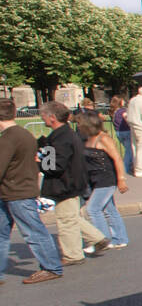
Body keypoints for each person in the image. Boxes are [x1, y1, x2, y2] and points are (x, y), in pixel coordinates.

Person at [35, 101, 107, 265]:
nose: (43, 119)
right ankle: (97, 238)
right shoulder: (65, 134)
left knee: (66, 220)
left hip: (64, 184)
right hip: (72, 182)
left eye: (44, 116)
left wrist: (37, 163)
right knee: (71, 216)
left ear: (52, 117)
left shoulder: (60, 138)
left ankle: (73, 254)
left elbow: (54, 166)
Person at [0, 99, 63, 283]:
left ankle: (51, 267)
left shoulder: (9, 138)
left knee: (32, 232)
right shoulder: (23, 134)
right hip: (17, 189)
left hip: (16, 191)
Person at [77, 112, 129, 249]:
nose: (78, 126)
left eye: (80, 123)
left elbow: (117, 158)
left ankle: (101, 239)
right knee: (109, 209)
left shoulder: (103, 138)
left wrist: (121, 179)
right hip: (95, 179)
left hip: (106, 178)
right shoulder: (88, 138)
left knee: (93, 209)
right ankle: (119, 238)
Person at [110, 94, 133, 174]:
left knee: (128, 149)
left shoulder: (114, 111)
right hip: (126, 131)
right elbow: (126, 117)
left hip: (118, 132)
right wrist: (131, 124)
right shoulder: (122, 110)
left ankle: (130, 166)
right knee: (129, 150)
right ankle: (124, 168)